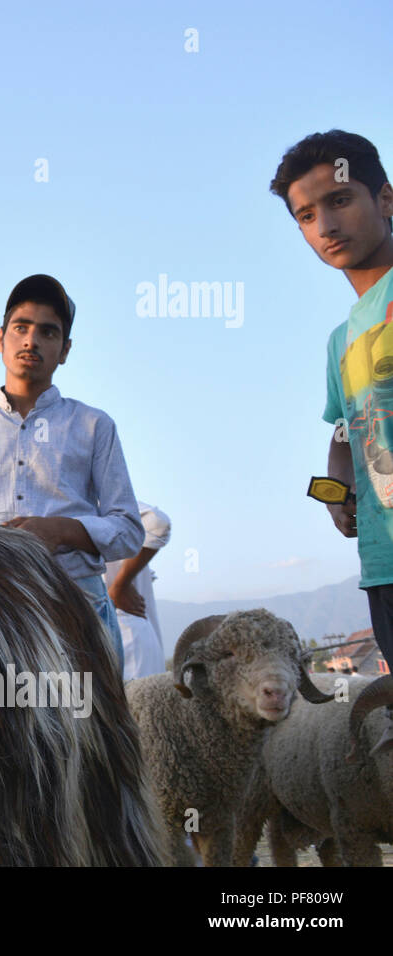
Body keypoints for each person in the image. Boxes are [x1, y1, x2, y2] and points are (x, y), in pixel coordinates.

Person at [0, 274, 143, 668]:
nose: (31, 341)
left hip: (77, 611)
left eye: (48, 332)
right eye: (21, 328)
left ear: (64, 350)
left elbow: (129, 530)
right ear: (0, 339)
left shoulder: (94, 426)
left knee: (86, 727)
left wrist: (62, 530)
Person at [270, 130, 393, 752]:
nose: (326, 224)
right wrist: (332, 492)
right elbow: (345, 431)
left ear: (387, 199)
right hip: (383, 564)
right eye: (307, 215)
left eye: (340, 200)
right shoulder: (339, 339)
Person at [104, 501, 172, 681]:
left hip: (127, 638)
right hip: (109, 640)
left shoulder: (101, 504)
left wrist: (119, 586)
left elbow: (157, 523)